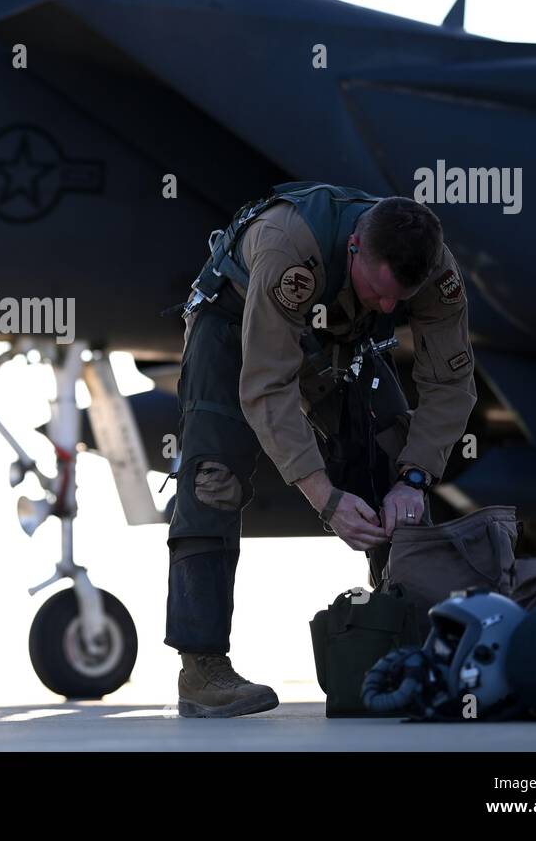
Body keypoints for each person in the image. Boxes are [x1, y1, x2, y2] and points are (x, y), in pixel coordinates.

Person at [167, 182, 477, 718]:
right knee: (214, 479)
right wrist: (324, 496)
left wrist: (416, 478)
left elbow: (451, 383)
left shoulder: (433, 270)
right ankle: (202, 668)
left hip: (336, 335)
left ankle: (402, 641)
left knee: (390, 450)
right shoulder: (289, 248)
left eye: (397, 300)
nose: (387, 307)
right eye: (379, 291)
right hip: (233, 323)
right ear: (355, 246)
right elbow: (267, 384)